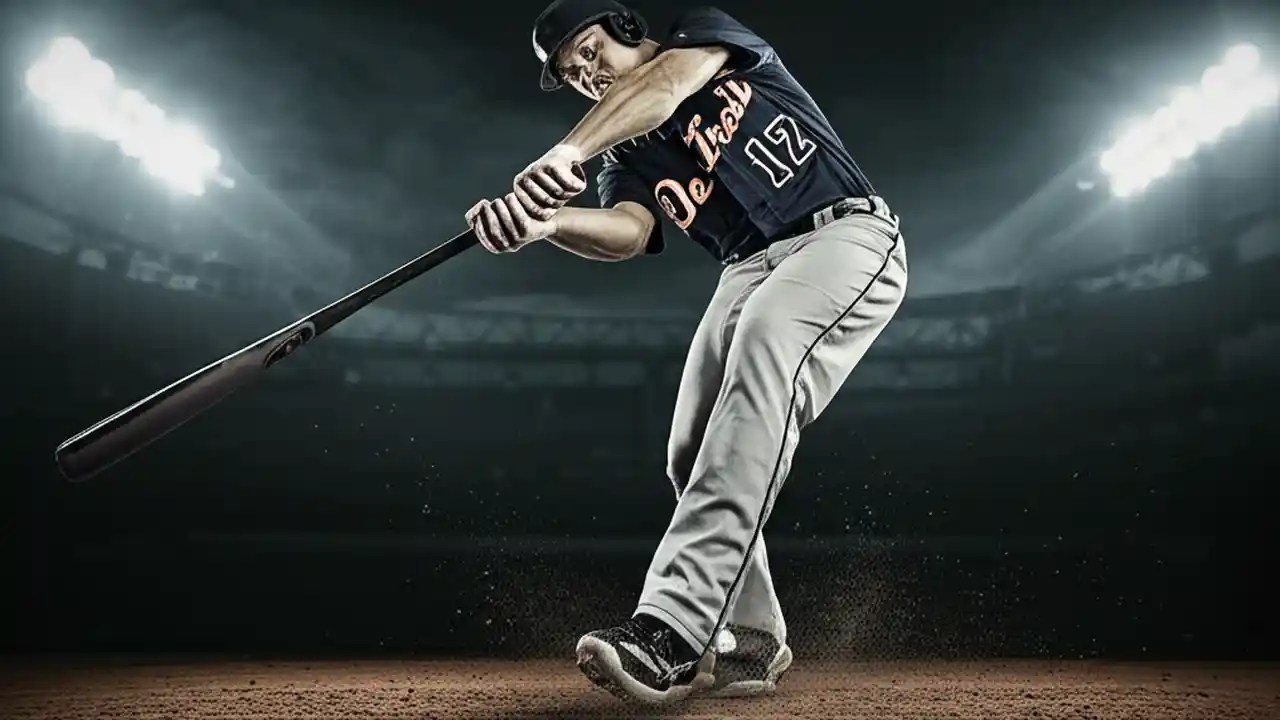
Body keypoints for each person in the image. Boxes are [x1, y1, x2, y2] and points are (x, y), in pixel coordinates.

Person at [464, 0, 908, 706]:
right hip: (748, 266)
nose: (583, 73)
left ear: (625, 26)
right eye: (567, 71)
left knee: (764, 348)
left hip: (842, 234)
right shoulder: (624, 150)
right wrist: (543, 223)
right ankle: (750, 639)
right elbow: (628, 231)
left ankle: (668, 629)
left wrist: (564, 153)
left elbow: (665, 85)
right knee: (689, 448)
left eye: (587, 50)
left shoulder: (701, 35)